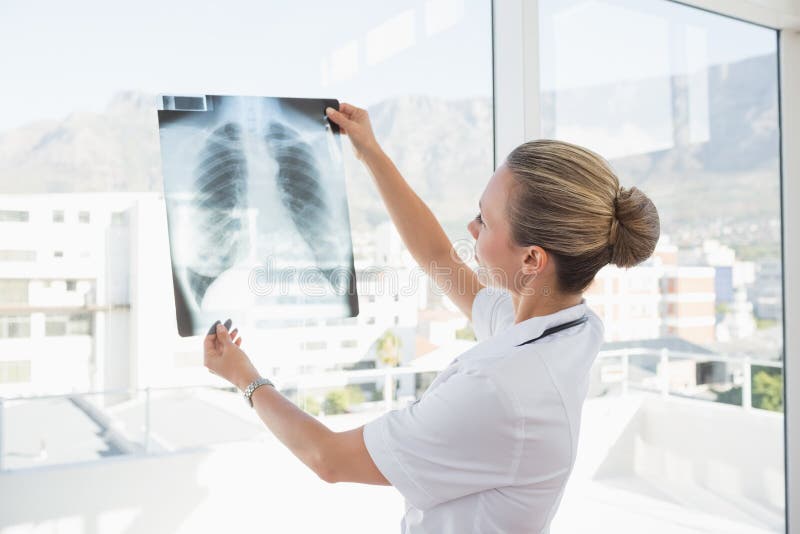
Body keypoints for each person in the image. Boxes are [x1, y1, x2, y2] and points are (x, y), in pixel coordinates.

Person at [203, 102, 660, 533]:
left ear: (532, 260)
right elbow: (440, 258)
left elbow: (329, 458)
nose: (471, 229)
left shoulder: (502, 389)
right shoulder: (566, 324)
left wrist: (245, 377)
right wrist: (370, 152)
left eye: (485, 221)